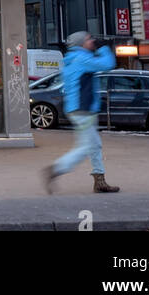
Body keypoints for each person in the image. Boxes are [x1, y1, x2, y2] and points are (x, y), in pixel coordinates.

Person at [44, 32, 119, 193]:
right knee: (85, 146)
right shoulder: (82, 59)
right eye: (89, 39)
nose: (92, 41)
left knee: (95, 145)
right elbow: (107, 64)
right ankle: (56, 169)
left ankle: (100, 180)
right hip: (82, 110)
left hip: (81, 109)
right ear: (80, 44)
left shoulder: (74, 58)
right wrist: (103, 47)